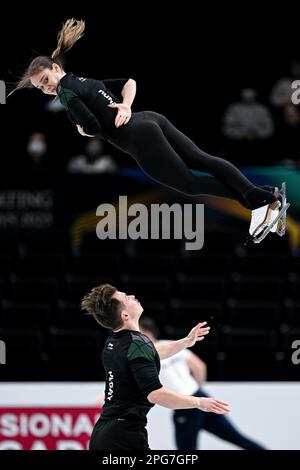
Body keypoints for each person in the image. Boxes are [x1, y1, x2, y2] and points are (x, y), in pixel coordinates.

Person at [10, 18, 288, 239]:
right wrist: (127, 106)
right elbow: (129, 81)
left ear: (56, 68)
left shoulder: (67, 94)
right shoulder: (83, 81)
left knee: (190, 184)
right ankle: (267, 197)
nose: (47, 88)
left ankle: (260, 201)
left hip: (139, 138)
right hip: (150, 119)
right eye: (40, 87)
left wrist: (84, 130)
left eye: (46, 80)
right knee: (202, 159)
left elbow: (93, 125)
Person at [80, 283, 230, 451]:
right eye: (126, 298)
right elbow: (156, 395)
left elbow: (152, 352)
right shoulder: (138, 344)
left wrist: (186, 342)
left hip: (103, 435)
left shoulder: (114, 342)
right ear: (125, 315)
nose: (132, 296)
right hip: (124, 438)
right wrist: (198, 402)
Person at [139, 317, 266, 450]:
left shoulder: (147, 354)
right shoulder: (172, 345)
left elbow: (199, 366)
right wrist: (197, 390)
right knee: (235, 437)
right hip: (200, 397)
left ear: (149, 333)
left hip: (188, 403)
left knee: (187, 451)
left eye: (139, 333)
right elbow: (199, 366)